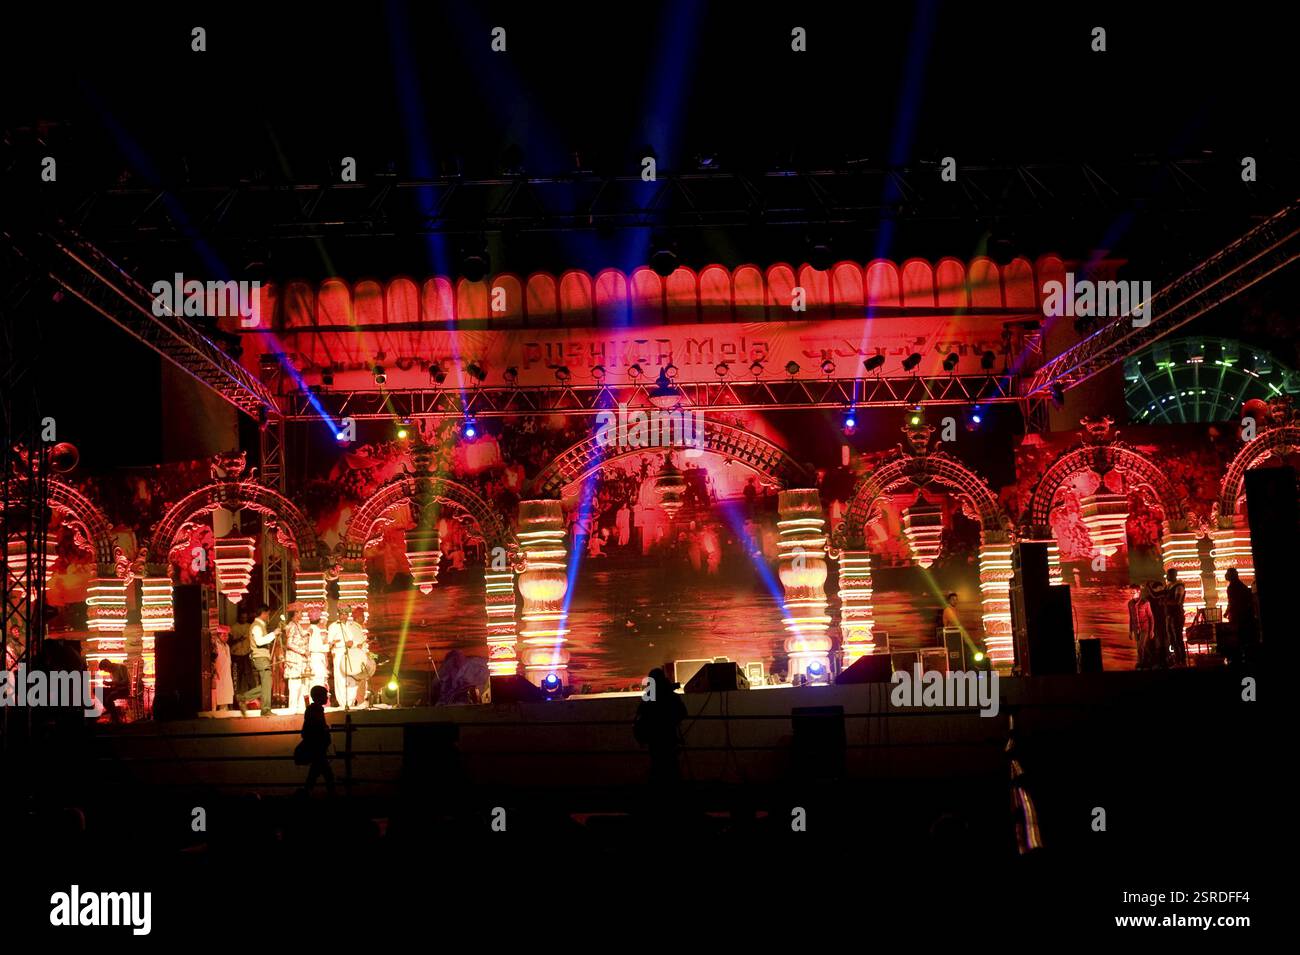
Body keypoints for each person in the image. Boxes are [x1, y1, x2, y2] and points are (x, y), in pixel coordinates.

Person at [633, 668, 688, 787]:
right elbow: (682, 713)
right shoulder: (670, 696)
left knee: (657, 767)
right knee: (672, 768)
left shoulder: (649, 698)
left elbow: (641, 716)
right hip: (669, 738)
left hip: (654, 740)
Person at [237, 604, 279, 717]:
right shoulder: (256, 626)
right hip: (260, 658)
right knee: (267, 684)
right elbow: (260, 642)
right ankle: (265, 709)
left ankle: (243, 698)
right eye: (268, 614)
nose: (268, 616)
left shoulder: (260, 626)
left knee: (267, 684)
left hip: (262, 657)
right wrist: (273, 634)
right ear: (263, 613)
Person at [299, 685, 335, 796]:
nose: (327, 698)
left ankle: (305, 793)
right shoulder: (316, 711)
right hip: (318, 749)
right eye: (325, 695)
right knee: (326, 775)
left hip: (317, 748)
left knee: (315, 774)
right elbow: (317, 729)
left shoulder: (312, 710)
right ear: (320, 697)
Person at [1224, 568, 1259, 665]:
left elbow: (1232, 602)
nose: (1225, 576)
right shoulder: (1241, 585)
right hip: (1246, 616)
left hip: (1238, 616)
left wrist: (1227, 612)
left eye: (1227, 574)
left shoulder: (1232, 587)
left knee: (1237, 637)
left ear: (1231, 575)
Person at [283, 608, 312, 713]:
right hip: (294, 658)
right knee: (294, 684)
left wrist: (307, 635)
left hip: (300, 658)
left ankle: (300, 708)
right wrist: (303, 651)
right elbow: (289, 644)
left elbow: (300, 639)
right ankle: (293, 708)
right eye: (300, 612)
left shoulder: (297, 625)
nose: (302, 614)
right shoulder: (291, 625)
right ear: (295, 613)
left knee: (301, 684)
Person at [1162, 569, 1187, 666]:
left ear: (1173, 575)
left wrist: (1164, 602)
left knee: (1177, 638)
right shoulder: (1169, 586)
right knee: (1172, 638)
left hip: (1176, 615)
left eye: (1168, 574)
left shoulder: (1179, 586)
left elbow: (1177, 601)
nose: (1166, 576)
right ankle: (1177, 659)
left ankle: (1182, 660)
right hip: (1169, 615)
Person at [308, 610, 332, 704]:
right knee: (317, 680)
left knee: (320, 679)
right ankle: (315, 701)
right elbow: (314, 647)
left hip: (319, 657)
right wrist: (328, 646)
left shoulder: (316, 630)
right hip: (316, 657)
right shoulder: (313, 629)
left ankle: (317, 701)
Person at [211, 625, 234, 710]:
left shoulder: (227, 646)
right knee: (217, 697)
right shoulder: (215, 646)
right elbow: (212, 661)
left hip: (226, 674)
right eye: (223, 635)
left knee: (226, 697)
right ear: (218, 635)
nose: (226, 637)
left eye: (227, 635)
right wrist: (214, 672)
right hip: (218, 675)